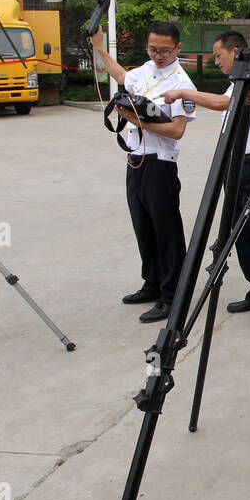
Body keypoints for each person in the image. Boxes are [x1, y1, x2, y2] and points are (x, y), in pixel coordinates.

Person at [160, 31, 250, 335]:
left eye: (219, 55)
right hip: (235, 166)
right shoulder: (237, 83)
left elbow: (220, 104)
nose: (216, 61)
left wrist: (183, 93)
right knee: (241, 235)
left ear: (236, 51)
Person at [90, 21, 196, 323]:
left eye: (165, 50)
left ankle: (172, 294)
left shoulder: (184, 85)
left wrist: (137, 121)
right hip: (135, 159)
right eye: (153, 49)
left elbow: (177, 131)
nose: (159, 55)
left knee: (166, 229)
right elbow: (122, 76)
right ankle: (152, 282)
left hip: (160, 164)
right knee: (142, 224)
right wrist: (99, 47)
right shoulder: (143, 72)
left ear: (177, 48)